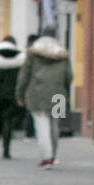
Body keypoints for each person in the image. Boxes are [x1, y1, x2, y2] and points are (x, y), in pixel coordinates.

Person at [16, 30, 73, 170]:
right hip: (58, 94)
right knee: (55, 126)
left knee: (42, 126)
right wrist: (64, 89)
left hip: (37, 93)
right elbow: (69, 75)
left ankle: (46, 157)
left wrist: (20, 94)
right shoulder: (63, 53)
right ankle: (53, 155)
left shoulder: (33, 52)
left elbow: (24, 75)